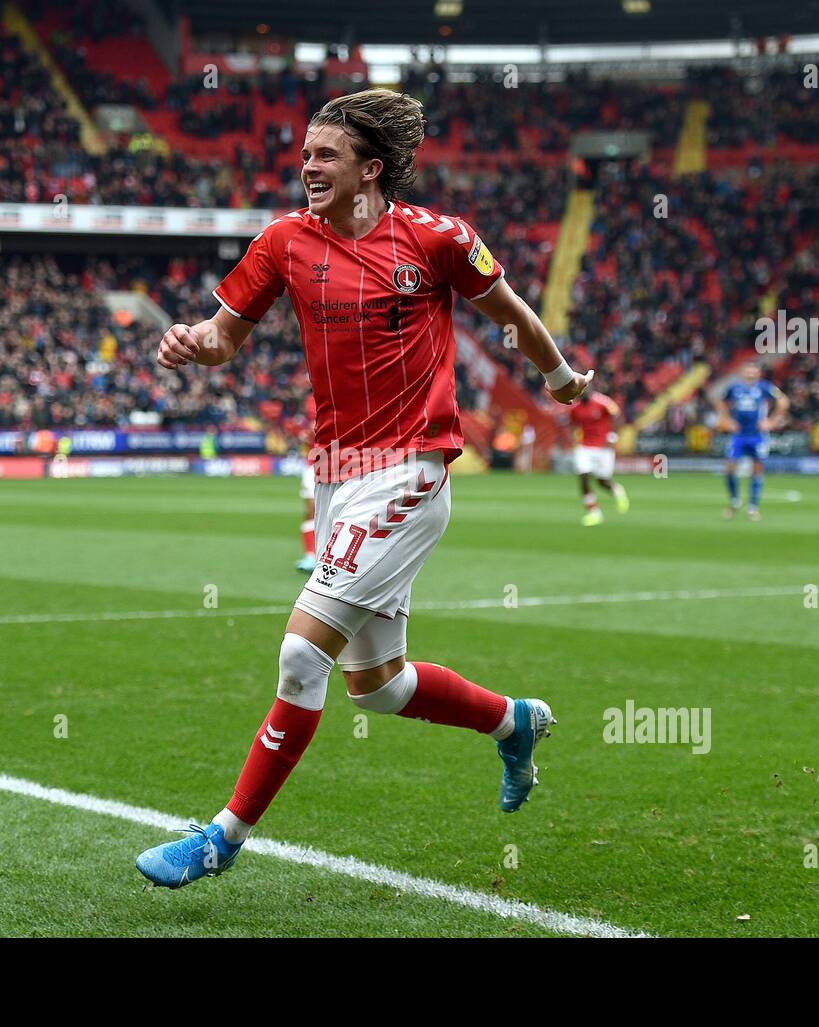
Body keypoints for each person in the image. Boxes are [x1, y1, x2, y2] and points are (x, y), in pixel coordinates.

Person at [135, 89, 591, 889]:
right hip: (337, 478)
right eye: (305, 154)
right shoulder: (282, 242)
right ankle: (513, 721)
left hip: (411, 470)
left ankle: (220, 839)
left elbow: (509, 310)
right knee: (379, 687)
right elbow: (223, 338)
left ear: (370, 169)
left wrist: (556, 377)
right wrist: (189, 341)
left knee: (299, 654)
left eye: (325, 156)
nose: (307, 167)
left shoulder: (437, 239)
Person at [715, 361, 789, 521]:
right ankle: (734, 502)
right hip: (739, 435)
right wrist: (726, 420)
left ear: (757, 373)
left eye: (753, 370)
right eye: (747, 370)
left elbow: (783, 401)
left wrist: (772, 421)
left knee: (757, 470)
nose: (750, 373)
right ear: (742, 372)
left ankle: (753, 507)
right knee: (730, 469)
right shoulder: (734, 388)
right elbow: (721, 403)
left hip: (757, 436)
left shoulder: (764, 387)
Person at [567, 390, 627, 525]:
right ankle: (594, 512)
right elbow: (572, 425)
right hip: (585, 447)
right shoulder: (575, 408)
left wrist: (613, 437)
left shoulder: (602, 402)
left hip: (603, 447)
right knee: (583, 476)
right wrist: (572, 440)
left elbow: (617, 416)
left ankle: (618, 491)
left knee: (602, 481)